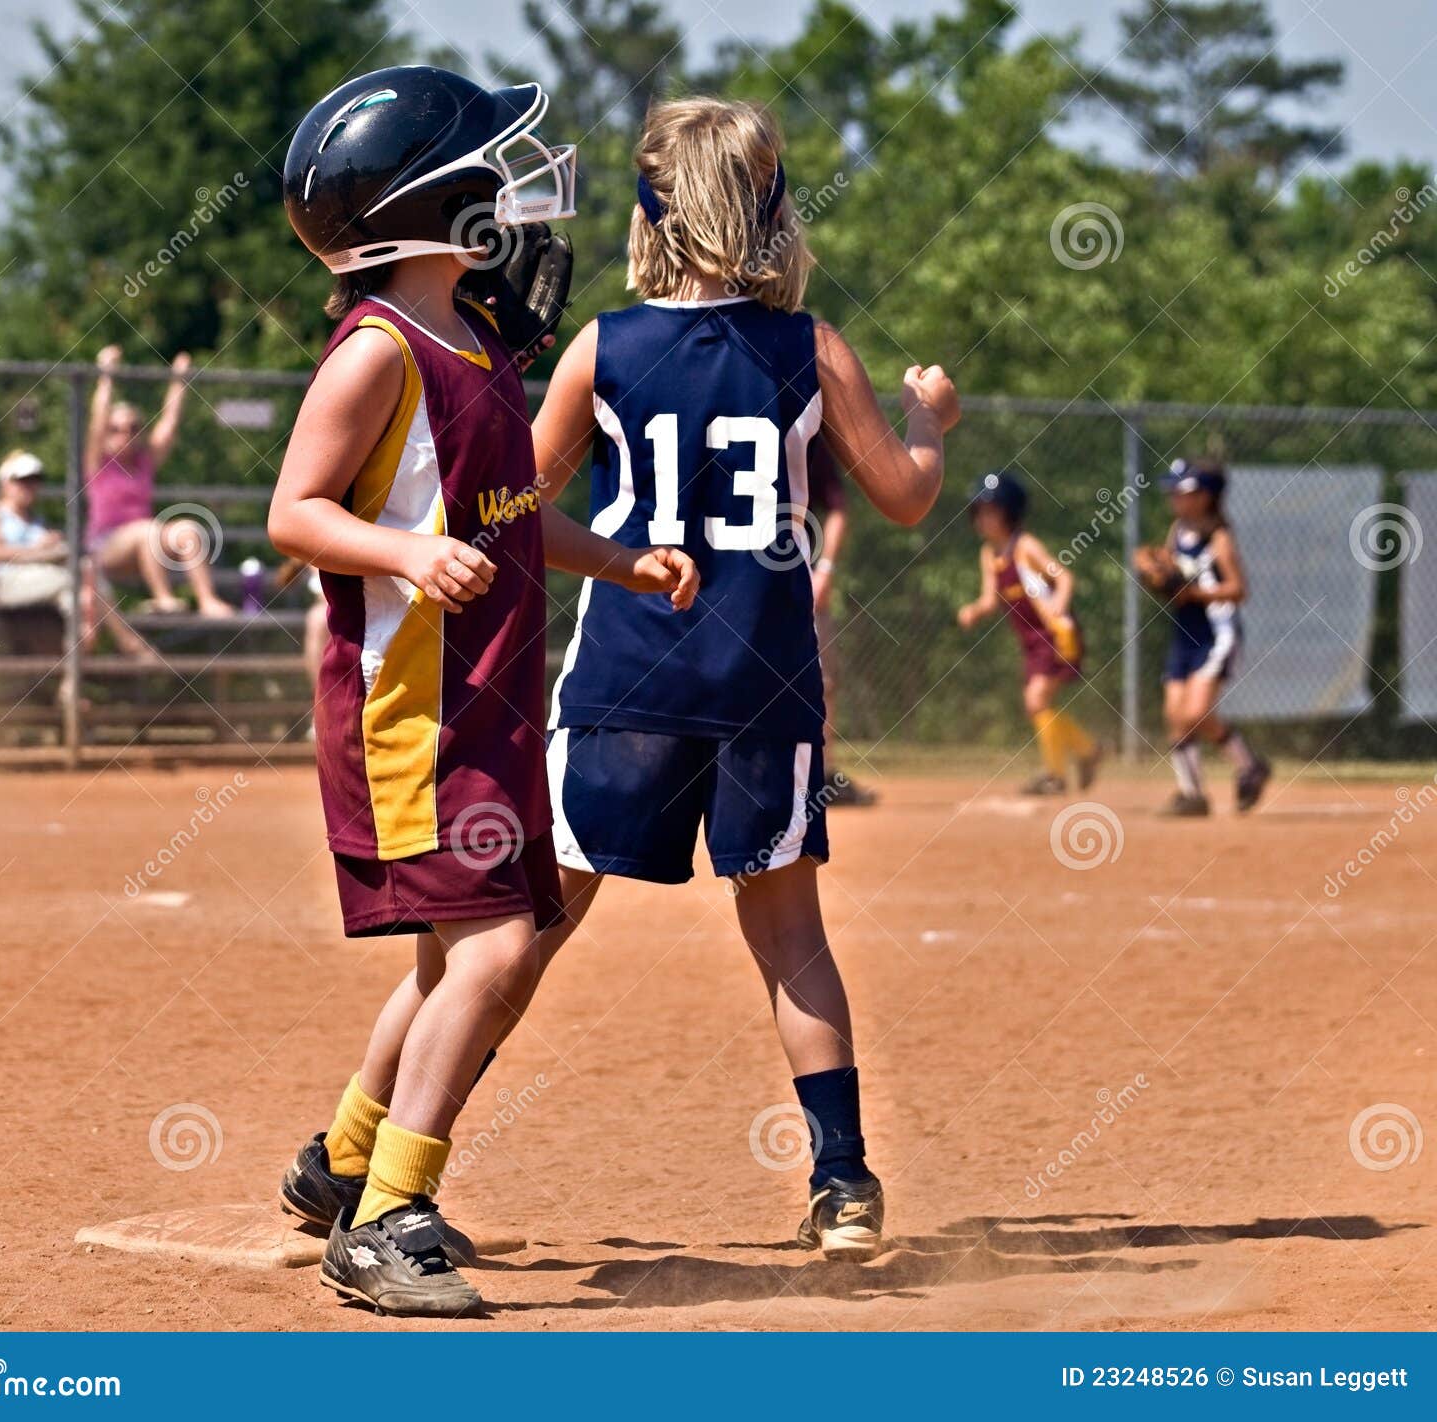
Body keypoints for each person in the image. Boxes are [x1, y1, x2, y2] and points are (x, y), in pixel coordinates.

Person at [280, 95, 959, 1269]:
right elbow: (904, 495)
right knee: (787, 934)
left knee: (515, 936)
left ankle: (358, 1162)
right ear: (770, 214)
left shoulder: (598, 344)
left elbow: (511, 502)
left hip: (624, 679)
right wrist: (930, 423)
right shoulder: (811, 348)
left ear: (654, 216)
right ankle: (842, 1180)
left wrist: (523, 519)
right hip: (760, 678)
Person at [268, 65, 696, 1319]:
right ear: (421, 205)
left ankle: (340, 1163)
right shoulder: (378, 355)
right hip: (410, 716)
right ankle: (391, 1213)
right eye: (488, 173)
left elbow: (504, 521)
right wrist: (400, 552)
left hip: (490, 708)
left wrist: (617, 557)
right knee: (502, 944)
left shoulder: (481, 347)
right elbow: (293, 512)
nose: (514, 195)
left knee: (463, 953)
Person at [1134, 459, 1270, 816]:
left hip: (1217, 632)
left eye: (1185, 491)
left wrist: (1195, 594)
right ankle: (1194, 793)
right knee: (1174, 713)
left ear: (1206, 496)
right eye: (1174, 491)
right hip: (1185, 631)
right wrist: (1154, 563)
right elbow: (1171, 564)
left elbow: (1238, 589)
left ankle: (1247, 767)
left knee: (1194, 712)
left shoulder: (1219, 538)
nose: (1175, 498)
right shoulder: (1178, 530)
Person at [956, 470, 1101, 794]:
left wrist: (1060, 607)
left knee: (1036, 699)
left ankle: (1057, 775)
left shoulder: (1026, 547)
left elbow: (1063, 577)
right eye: (978, 511)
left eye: (990, 511)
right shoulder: (989, 554)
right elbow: (990, 599)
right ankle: (1087, 751)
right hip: (1032, 642)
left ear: (1009, 512)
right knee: (1036, 702)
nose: (982, 519)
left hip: (1055, 634)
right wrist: (975, 611)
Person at [84, 345, 233, 616]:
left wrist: (179, 379)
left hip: (145, 542)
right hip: (106, 547)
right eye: (115, 429)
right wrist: (106, 374)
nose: (124, 434)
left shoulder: (144, 461)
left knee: (187, 529)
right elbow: (97, 418)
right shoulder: (99, 463)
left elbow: (169, 423)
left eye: (133, 428)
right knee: (148, 531)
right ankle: (164, 600)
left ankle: (207, 600)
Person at [0, 449, 152, 657]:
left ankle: (72, 677)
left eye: (35, 480)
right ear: (5, 483)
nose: (30, 486)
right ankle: (128, 642)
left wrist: (55, 549)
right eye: (22, 480)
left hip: (45, 582)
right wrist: (42, 551)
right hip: (2, 584)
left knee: (78, 596)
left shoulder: (35, 519)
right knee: (81, 582)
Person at [806, 436, 874, 806]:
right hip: (728, 581)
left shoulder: (804, 435)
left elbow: (837, 507)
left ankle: (821, 774)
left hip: (800, 579)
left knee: (823, 680)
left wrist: (826, 569)